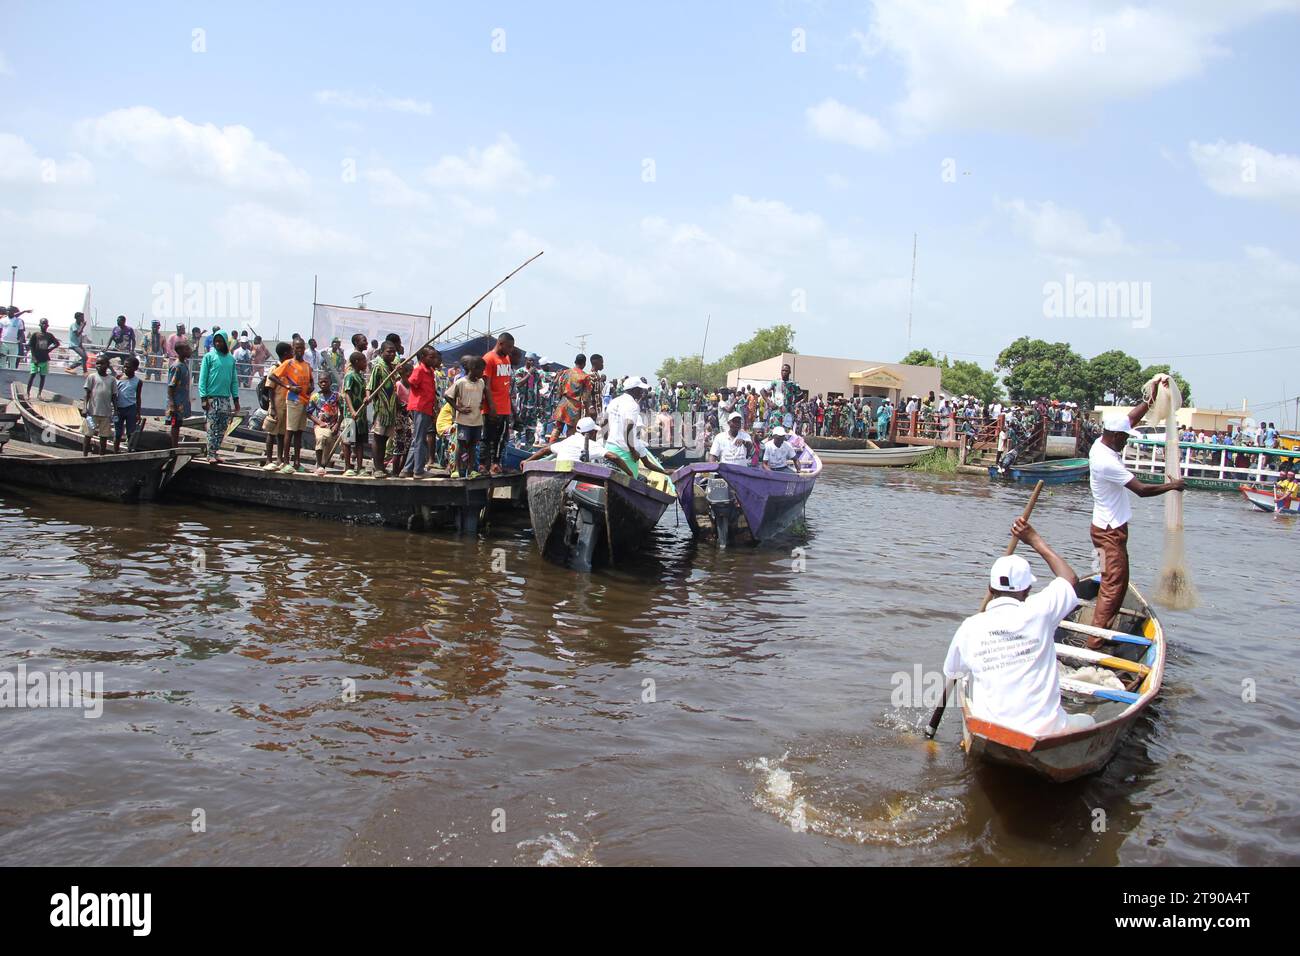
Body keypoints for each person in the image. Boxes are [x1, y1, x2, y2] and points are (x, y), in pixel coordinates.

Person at [943, 518, 1095, 736]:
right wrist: (1033, 539)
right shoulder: (1040, 610)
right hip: (1046, 730)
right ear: (1027, 591)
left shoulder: (970, 627)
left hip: (991, 730)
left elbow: (954, 672)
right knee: (1087, 720)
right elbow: (1070, 579)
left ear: (990, 588)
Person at [1088, 378, 1186, 640]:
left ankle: (1098, 631)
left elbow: (1130, 419)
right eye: (1125, 440)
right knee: (1113, 585)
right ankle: (1095, 641)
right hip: (1110, 533)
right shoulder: (1106, 461)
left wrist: (1150, 399)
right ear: (1116, 436)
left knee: (1113, 580)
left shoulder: (1102, 442)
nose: (1126, 443)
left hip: (1103, 528)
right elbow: (1142, 490)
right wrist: (1172, 486)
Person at [524, 416, 634, 475]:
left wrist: (527, 461)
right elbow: (613, 457)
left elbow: (545, 450)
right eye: (594, 432)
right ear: (591, 433)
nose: (595, 434)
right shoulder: (592, 445)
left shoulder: (567, 441)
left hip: (558, 474)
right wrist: (630, 473)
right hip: (574, 478)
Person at [268, 338, 313, 473]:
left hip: (304, 401)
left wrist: (311, 386)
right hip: (293, 400)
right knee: (290, 430)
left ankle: (297, 462)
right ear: (293, 349)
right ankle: (286, 461)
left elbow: (311, 381)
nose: (299, 350)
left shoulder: (306, 365)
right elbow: (273, 377)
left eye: (302, 348)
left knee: (299, 432)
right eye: (297, 348)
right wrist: (288, 386)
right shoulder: (289, 363)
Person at [605, 376, 663, 478]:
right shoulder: (633, 405)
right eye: (640, 389)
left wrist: (605, 441)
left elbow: (604, 423)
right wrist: (633, 451)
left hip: (610, 447)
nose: (642, 391)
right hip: (625, 453)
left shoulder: (614, 401)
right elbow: (628, 428)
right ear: (634, 390)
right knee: (629, 486)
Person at [446, 355, 494, 477]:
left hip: (477, 421)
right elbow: (447, 395)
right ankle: (456, 469)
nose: (483, 373)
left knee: (472, 446)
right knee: (461, 445)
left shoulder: (481, 382)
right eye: (481, 370)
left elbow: (482, 395)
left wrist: (482, 404)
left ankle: (471, 470)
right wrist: (458, 408)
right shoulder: (461, 382)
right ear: (473, 368)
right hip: (463, 421)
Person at [198, 329, 240, 463]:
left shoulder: (231, 359)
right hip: (212, 397)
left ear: (225, 342)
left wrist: (236, 399)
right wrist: (203, 398)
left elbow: (234, 380)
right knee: (212, 426)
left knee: (222, 427)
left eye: (220, 341)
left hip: (225, 399)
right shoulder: (209, 357)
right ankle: (210, 454)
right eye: (216, 341)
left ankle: (215, 452)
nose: (218, 343)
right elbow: (202, 378)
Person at [481, 332, 516, 475]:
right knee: (487, 437)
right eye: (509, 347)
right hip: (491, 407)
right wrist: (492, 407)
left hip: (505, 407)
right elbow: (486, 385)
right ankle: (483, 464)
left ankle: (496, 464)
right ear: (500, 344)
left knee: (501, 438)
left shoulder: (506, 358)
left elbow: (506, 385)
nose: (511, 350)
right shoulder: (489, 359)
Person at [366, 339, 402, 478]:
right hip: (381, 408)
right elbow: (370, 385)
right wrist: (368, 397)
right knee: (378, 438)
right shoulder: (379, 367)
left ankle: (381, 466)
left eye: (393, 352)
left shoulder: (392, 367)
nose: (392, 354)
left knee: (385, 439)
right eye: (389, 352)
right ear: (381, 352)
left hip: (391, 408)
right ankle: (377, 467)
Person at [259, 341, 293, 469]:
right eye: (291, 351)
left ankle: (280, 459)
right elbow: (270, 389)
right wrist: (272, 407)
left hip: (286, 405)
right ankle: (268, 459)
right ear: (285, 353)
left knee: (282, 434)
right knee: (271, 432)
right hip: (276, 405)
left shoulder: (289, 367)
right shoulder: (275, 368)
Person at [339, 351, 368, 476]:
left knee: (360, 441)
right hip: (351, 414)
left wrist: (367, 398)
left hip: (361, 414)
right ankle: (347, 467)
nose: (365, 364)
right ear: (357, 362)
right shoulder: (350, 376)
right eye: (364, 361)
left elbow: (365, 391)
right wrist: (352, 411)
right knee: (348, 440)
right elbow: (346, 394)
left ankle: (360, 467)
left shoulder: (361, 376)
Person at [549, 353, 592, 440]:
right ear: (584, 364)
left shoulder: (566, 372)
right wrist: (587, 412)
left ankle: (550, 446)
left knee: (557, 427)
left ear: (575, 362)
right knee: (571, 430)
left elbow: (559, 388)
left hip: (563, 402)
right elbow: (586, 397)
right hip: (574, 406)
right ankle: (568, 449)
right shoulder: (585, 376)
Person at [82, 354, 117, 456]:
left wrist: (116, 411)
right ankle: (84, 455)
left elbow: (114, 397)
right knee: (88, 434)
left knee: (104, 436)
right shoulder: (92, 377)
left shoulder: (112, 379)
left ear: (107, 365)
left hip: (106, 413)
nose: (99, 366)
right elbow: (87, 395)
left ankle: (102, 456)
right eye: (97, 363)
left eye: (102, 364)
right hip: (92, 411)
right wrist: (85, 408)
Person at [306, 373, 342, 475]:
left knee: (330, 447)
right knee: (321, 439)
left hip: (333, 426)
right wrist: (319, 422)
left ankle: (323, 464)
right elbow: (308, 413)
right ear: (318, 383)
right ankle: (319, 466)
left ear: (330, 382)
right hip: (320, 425)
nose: (323, 383)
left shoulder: (337, 396)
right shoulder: (315, 397)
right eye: (321, 382)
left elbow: (342, 412)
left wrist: (337, 425)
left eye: (325, 381)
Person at [113, 355, 143, 453]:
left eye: (128, 367)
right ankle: (115, 451)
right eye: (124, 366)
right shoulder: (118, 378)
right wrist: (114, 409)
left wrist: (138, 412)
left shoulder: (138, 382)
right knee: (118, 433)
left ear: (135, 368)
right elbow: (114, 393)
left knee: (130, 432)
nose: (125, 368)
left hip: (131, 408)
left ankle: (129, 451)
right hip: (119, 409)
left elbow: (138, 397)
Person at [166, 340, 193, 448]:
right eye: (187, 349)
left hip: (182, 401)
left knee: (178, 424)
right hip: (176, 402)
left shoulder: (184, 365)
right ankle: (173, 447)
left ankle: (174, 445)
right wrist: (172, 405)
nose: (189, 351)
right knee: (175, 424)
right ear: (180, 351)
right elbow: (171, 386)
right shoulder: (176, 366)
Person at [513, 353, 544, 443]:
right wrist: (529, 373)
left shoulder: (537, 374)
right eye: (529, 360)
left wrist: (539, 405)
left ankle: (528, 449)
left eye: (533, 361)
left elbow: (538, 390)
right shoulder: (520, 371)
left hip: (532, 406)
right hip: (521, 404)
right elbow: (518, 384)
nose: (531, 362)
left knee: (531, 428)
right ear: (525, 360)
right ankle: (517, 447)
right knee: (518, 428)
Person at [26, 318, 60, 398]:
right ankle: (28, 393)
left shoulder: (49, 335)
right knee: (32, 375)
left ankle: (39, 393)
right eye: (43, 323)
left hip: (44, 358)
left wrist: (49, 350)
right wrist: (34, 357)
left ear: (48, 325)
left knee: (42, 377)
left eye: (46, 324)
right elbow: (30, 346)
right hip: (36, 358)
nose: (44, 325)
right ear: (40, 325)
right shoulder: (36, 334)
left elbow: (57, 343)